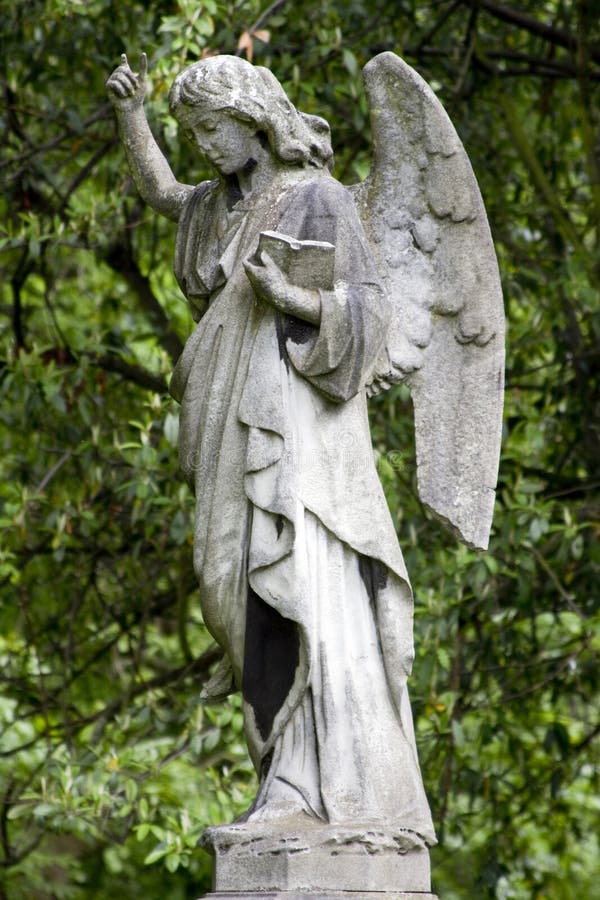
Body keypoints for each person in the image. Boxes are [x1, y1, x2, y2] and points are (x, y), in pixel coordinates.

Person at [106, 52, 435, 845]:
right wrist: (132, 119)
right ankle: (279, 778)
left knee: (302, 583)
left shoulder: (319, 196)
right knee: (230, 583)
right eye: (194, 133)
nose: (206, 146)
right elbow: (161, 193)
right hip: (228, 413)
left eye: (214, 128)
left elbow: (372, 313)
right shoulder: (216, 206)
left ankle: (314, 787)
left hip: (301, 428)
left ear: (253, 117)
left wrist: (291, 297)